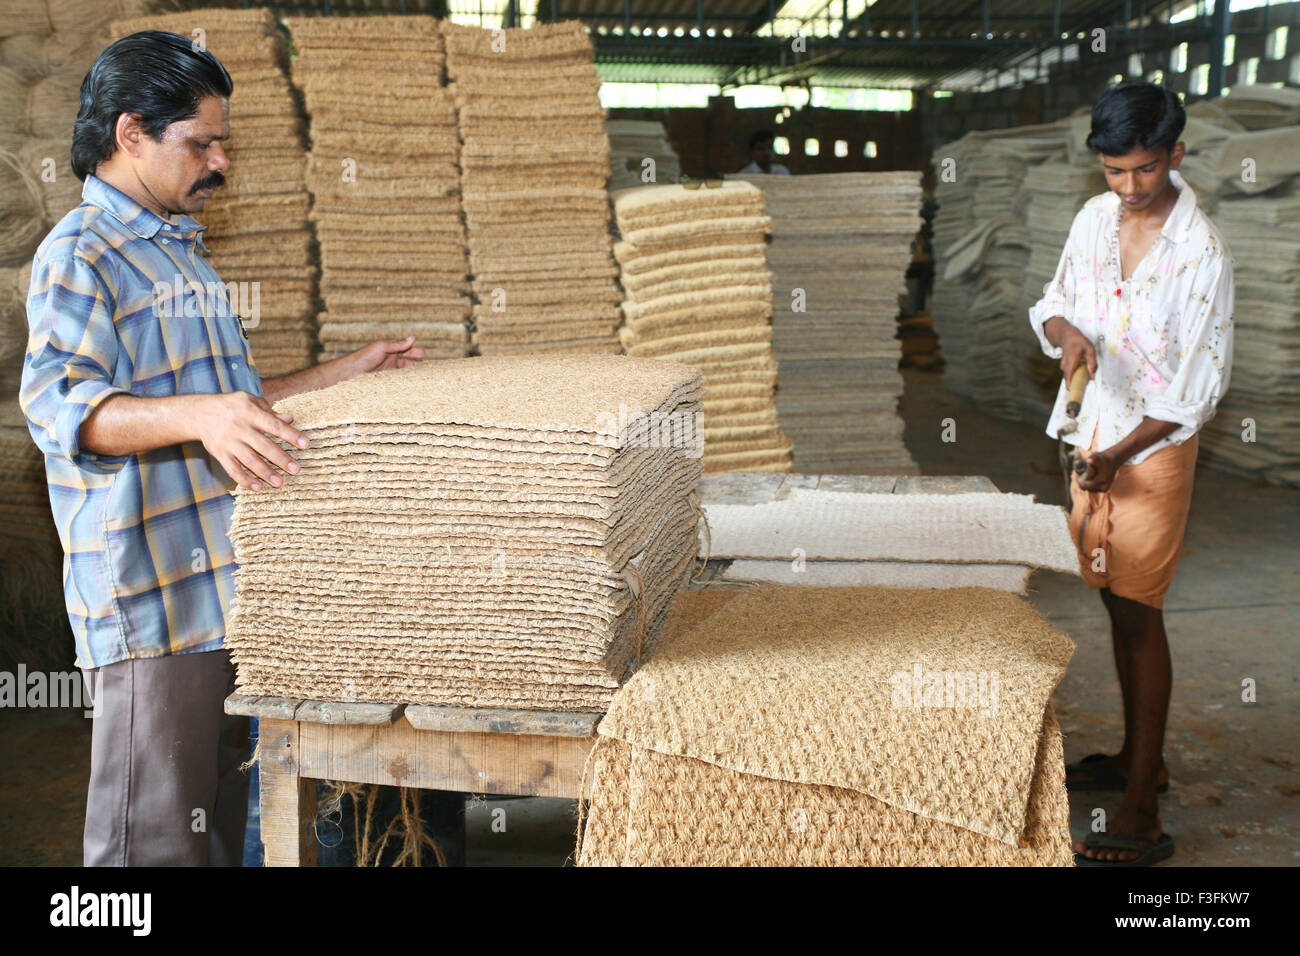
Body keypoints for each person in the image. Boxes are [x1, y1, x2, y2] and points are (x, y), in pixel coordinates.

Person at [19, 31, 424, 866]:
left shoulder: (180, 255)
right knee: (150, 844)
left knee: (216, 828)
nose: (219, 163)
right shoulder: (82, 253)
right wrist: (204, 416)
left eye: (222, 144)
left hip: (224, 597)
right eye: (200, 142)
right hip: (151, 606)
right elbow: (64, 406)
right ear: (131, 133)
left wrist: (346, 374)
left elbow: (231, 405)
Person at [1028, 81, 1233, 867]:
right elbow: (1054, 296)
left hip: (1150, 449)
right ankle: (1135, 756)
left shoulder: (1201, 252)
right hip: (1094, 436)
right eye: (1114, 171)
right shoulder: (1092, 220)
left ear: (1176, 155)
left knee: (1140, 609)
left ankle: (1143, 806)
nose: (1129, 186)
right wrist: (1062, 330)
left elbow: (1195, 393)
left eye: (1144, 170)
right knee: (1111, 598)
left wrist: (1118, 457)